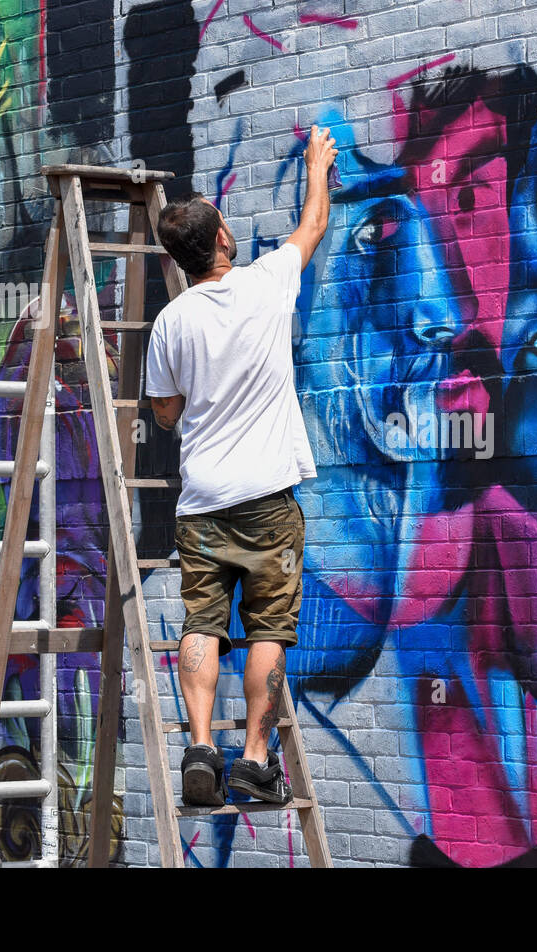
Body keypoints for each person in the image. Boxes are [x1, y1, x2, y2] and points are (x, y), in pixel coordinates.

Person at [145, 125, 338, 806]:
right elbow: (313, 223)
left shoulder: (171, 322)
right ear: (221, 239)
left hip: (202, 501)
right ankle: (255, 760)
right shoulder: (266, 283)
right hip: (265, 500)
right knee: (268, 628)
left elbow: (165, 413)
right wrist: (317, 164)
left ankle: (200, 747)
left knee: (201, 622)